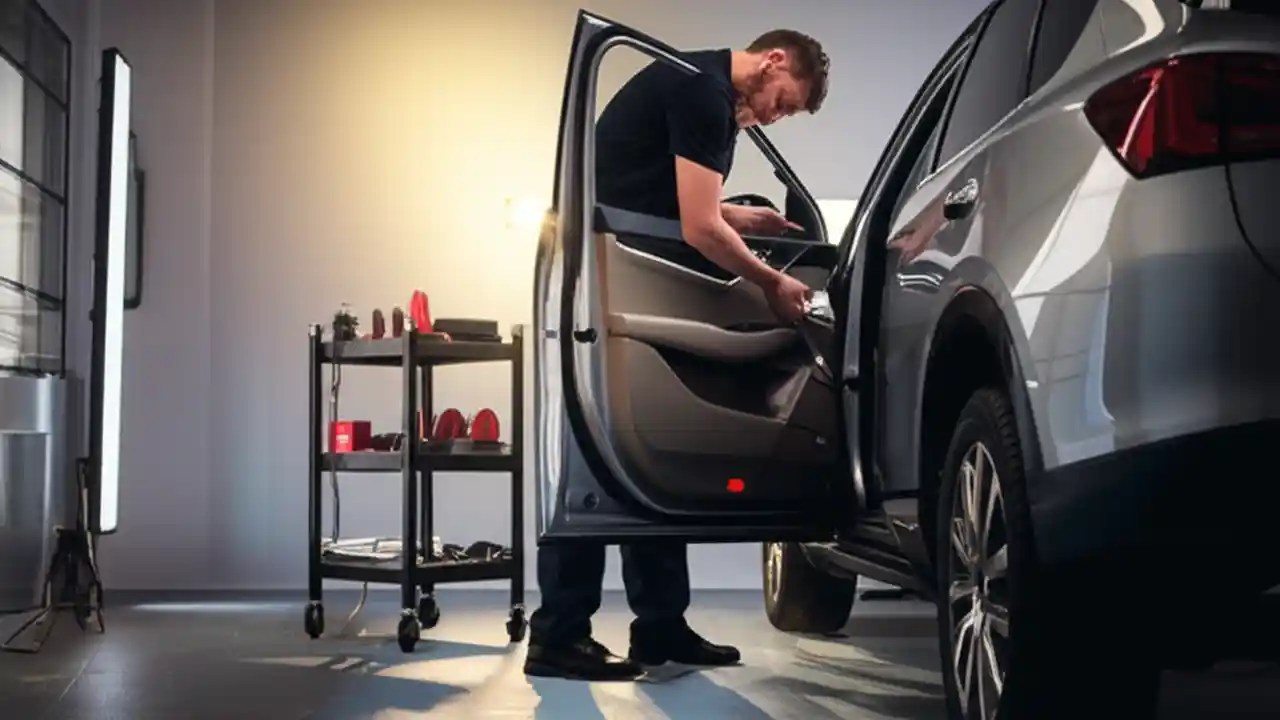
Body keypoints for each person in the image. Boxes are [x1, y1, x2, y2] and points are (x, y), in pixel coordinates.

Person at [524, 29, 830, 681]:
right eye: (785, 102)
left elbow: (670, 199)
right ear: (773, 61)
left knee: (647, 450)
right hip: (600, 280)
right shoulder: (705, 94)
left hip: (616, 274)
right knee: (591, 455)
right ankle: (556, 636)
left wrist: (745, 221)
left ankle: (659, 628)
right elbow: (697, 227)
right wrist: (771, 281)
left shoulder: (702, 91)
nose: (778, 115)